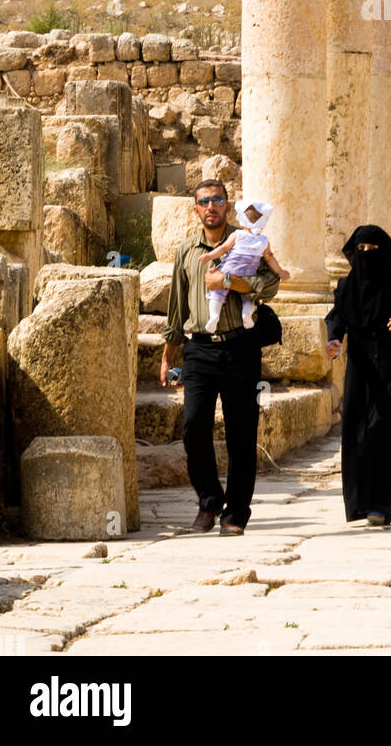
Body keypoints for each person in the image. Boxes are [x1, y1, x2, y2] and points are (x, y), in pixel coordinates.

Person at [160, 180, 290, 536]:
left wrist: (229, 281)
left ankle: (236, 512)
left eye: (217, 199)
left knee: (241, 434)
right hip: (199, 349)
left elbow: (269, 286)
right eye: (204, 201)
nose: (211, 206)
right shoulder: (186, 251)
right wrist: (168, 352)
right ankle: (209, 501)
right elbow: (177, 305)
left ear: (228, 206)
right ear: (196, 210)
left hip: (239, 347)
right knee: (193, 428)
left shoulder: (247, 239)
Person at [325, 224, 391, 527]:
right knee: (359, 433)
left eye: (373, 249)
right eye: (361, 250)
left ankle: (382, 505)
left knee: (386, 433)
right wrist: (334, 340)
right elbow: (337, 318)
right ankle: (360, 504)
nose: (367, 255)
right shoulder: (347, 286)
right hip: (359, 370)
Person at [200, 199, 283, 334]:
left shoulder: (237, 235)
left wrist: (210, 257)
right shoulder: (263, 241)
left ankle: (214, 315)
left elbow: (223, 248)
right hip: (249, 272)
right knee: (249, 298)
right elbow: (269, 258)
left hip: (230, 268)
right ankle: (247, 315)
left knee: (217, 293)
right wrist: (280, 271)